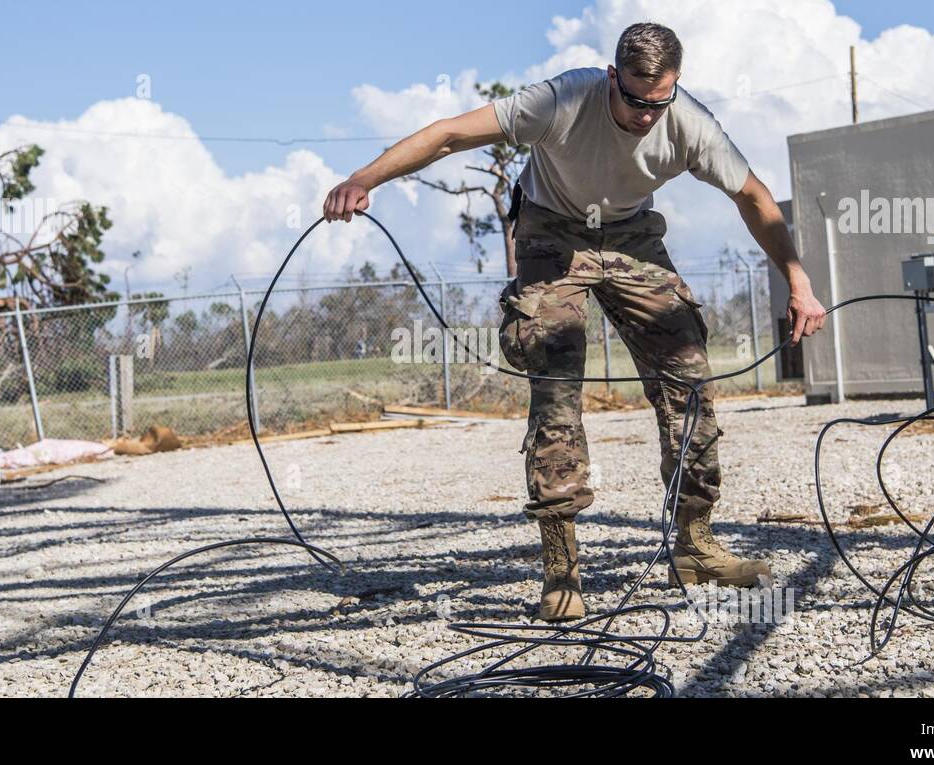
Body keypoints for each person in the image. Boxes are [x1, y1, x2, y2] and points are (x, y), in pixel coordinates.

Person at [323, 22, 827, 622]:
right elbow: (450, 135)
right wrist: (363, 179)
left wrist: (798, 279)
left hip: (632, 236)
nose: (645, 116)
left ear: (675, 86)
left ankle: (694, 545)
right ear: (613, 78)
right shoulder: (563, 99)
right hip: (551, 231)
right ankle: (561, 564)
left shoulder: (689, 123)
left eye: (658, 102)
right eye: (635, 100)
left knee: (690, 381)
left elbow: (755, 197)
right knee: (557, 386)